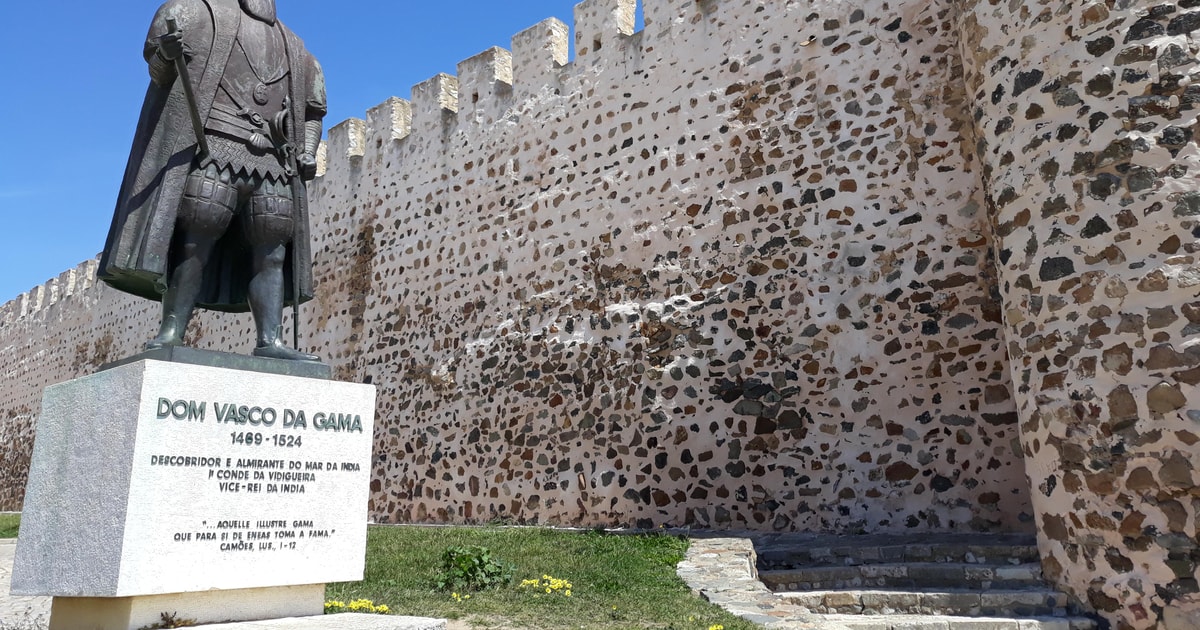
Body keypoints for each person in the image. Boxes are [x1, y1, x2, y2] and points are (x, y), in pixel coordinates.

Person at [99, 0, 326, 362]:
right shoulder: (196, 13)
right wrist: (166, 57)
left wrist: (309, 151)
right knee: (196, 236)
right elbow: (161, 73)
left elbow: (312, 113)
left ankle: (271, 340)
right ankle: (171, 331)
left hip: (272, 160)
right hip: (215, 145)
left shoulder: (296, 47)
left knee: (272, 250)